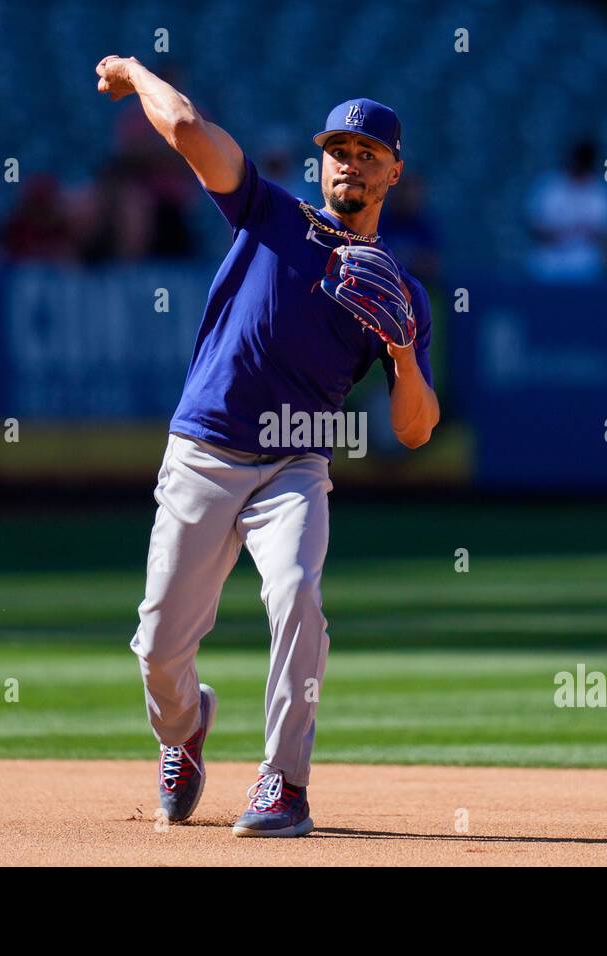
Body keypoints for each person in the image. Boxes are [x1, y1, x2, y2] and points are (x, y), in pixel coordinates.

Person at [95, 56, 439, 838]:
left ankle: (284, 786)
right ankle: (184, 730)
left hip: (294, 466)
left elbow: (416, 429)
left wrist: (404, 352)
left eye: (368, 155)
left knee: (296, 596)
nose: (350, 164)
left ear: (394, 172)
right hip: (204, 452)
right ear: (320, 161)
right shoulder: (267, 210)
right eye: (339, 151)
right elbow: (184, 129)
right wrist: (132, 70)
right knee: (156, 649)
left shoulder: (401, 289)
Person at [524, 139, 607, 281]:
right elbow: (535, 228)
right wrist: (564, 232)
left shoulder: (601, 192)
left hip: (586, 265)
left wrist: (585, 232)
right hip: (549, 263)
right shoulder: (550, 187)